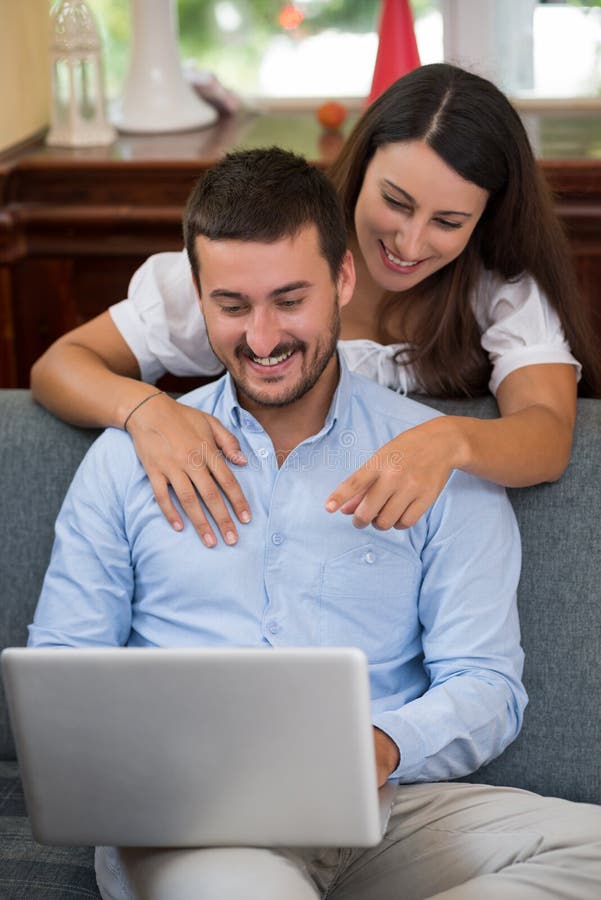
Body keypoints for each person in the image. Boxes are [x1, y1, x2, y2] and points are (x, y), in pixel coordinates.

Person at [29, 148, 601, 900]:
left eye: (289, 300)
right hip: (196, 826)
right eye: (232, 306)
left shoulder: (435, 460)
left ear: (341, 281)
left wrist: (381, 747)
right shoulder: (126, 459)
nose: (263, 339)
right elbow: (63, 674)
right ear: (197, 300)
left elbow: (487, 686)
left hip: (389, 809)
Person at [29, 64, 601, 550]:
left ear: (484, 219)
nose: (409, 243)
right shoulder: (257, 267)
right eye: (396, 202)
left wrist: (449, 439)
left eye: (448, 222)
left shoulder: (497, 292)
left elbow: (547, 436)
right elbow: (59, 365)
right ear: (361, 167)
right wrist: (148, 412)